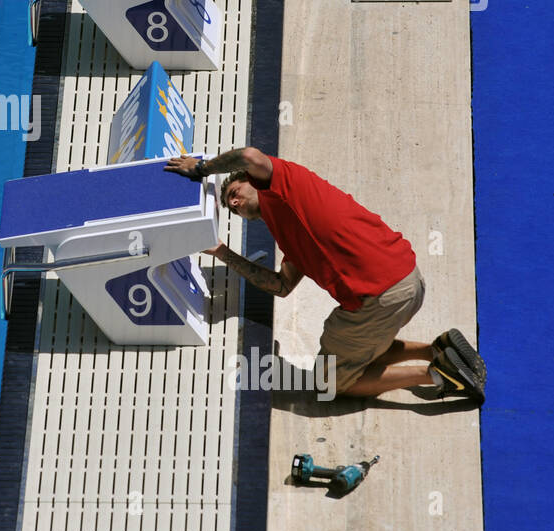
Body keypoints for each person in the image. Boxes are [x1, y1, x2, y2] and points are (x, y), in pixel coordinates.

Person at [165, 147, 486, 403]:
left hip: (379, 297)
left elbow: (249, 155)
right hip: (408, 280)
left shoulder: (283, 184)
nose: (235, 203)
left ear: (253, 178)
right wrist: (222, 252)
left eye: (235, 191)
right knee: (357, 345)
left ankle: (438, 374)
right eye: (231, 208)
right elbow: (280, 285)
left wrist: (201, 168)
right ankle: (438, 348)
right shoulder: (290, 226)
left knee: (330, 382)